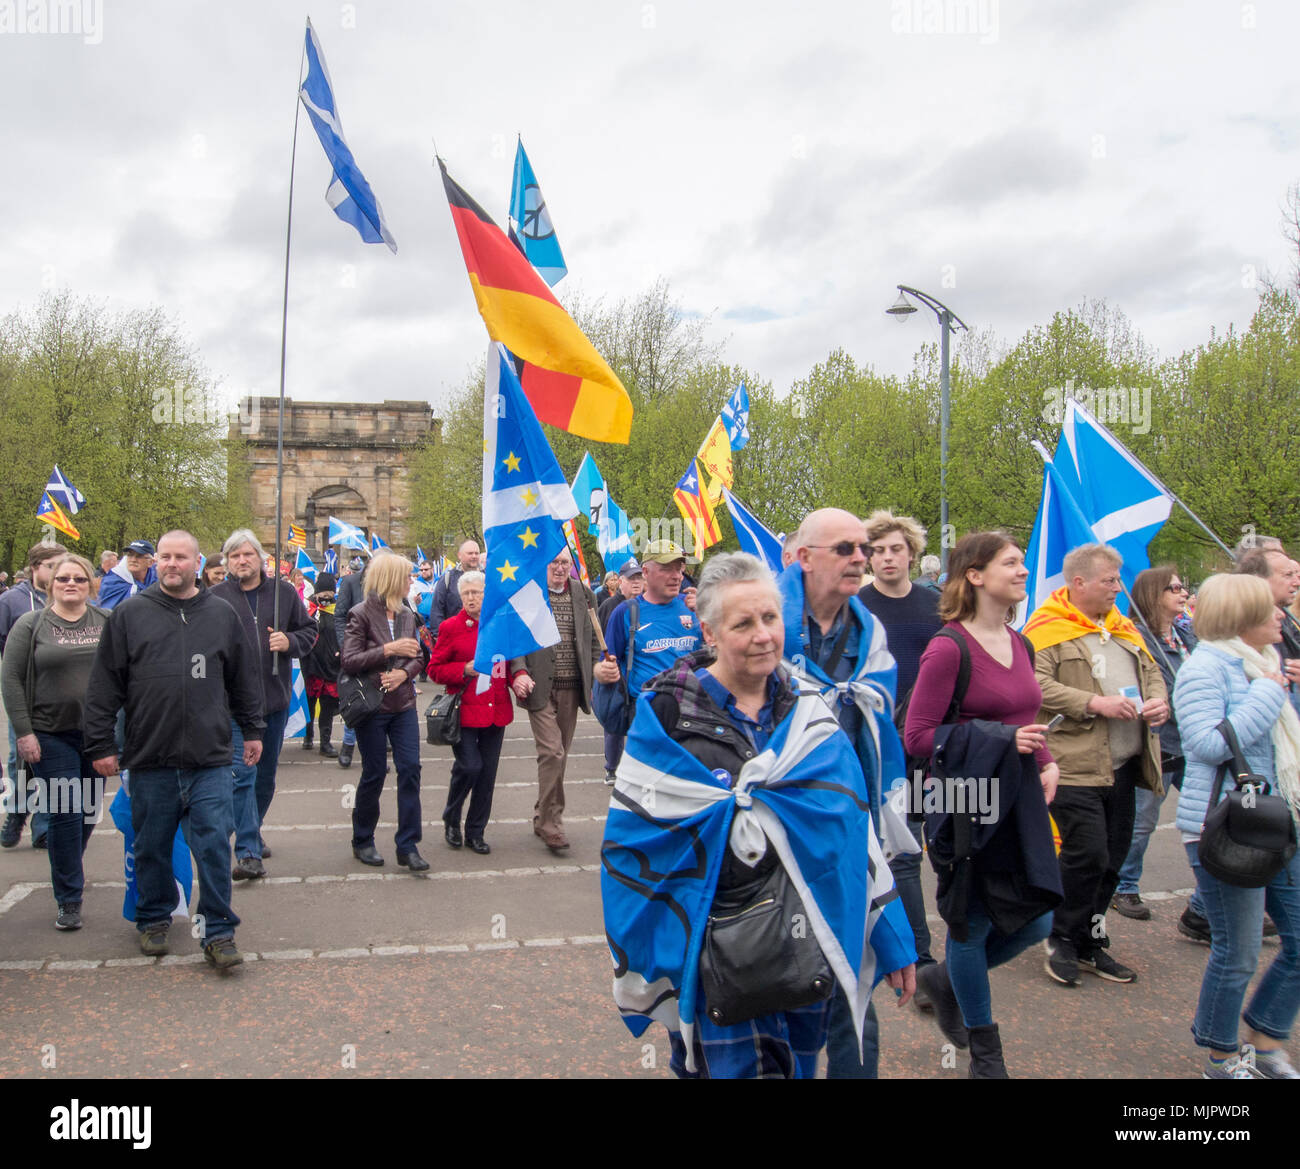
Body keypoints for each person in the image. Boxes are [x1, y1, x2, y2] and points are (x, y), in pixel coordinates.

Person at [602, 552, 917, 1079]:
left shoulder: (811, 713)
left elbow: (849, 828)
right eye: (743, 623)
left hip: (806, 941)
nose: (763, 635)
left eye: (770, 618)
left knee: (797, 1068)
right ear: (708, 630)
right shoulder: (665, 716)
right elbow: (632, 846)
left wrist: (888, 931)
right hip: (716, 952)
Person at [904, 532, 1062, 1076]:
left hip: (1016, 799)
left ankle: (945, 981)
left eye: (1021, 563)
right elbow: (918, 736)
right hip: (962, 799)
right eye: (1011, 563)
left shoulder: (1021, 642)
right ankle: (985, 1051)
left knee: (1036, 918)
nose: (1023, 571)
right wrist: (999, 740)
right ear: (974, 575)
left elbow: (1026, 719)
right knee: (970, 923)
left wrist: (1047, 763)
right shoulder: (949, 647)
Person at [83, 531, 264, 969]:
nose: (171, 564)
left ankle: (218, 930)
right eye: (164, 557)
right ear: (154, 562)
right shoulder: (129, 615)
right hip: (150, 756)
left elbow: (242, 678)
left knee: (215, 847)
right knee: (151, 846)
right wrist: (101, 743)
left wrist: (253, 728)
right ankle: (153, 919)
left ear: (197, 562)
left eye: (180, 557)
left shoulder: (221, 615)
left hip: (210, 758)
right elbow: (104, 686)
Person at [778, 508, 906, 1079]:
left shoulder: (870, 637)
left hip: (853, 830)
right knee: (781, 989)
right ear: (803, 559)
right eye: (847, 548)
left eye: (865, 547)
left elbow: (883, 728)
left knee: (853, 991)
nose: (862, 557)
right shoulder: (763, 626)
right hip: (778, 841)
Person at [1173, 572, 1300, 1078]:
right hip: (1226, 828)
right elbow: (1206, 744)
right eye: (1270, 607)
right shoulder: (1205, 667)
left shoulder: (1266, 663)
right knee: (1239, 952)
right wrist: (1269, 695)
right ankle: (1222, 1056)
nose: (1282, 615)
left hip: (1278, 820)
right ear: (1243, 615)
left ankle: (1265, 1040)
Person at [1025, 543, 1169, 988]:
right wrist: (1093, 702)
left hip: (1124, 764)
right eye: (1109, 580)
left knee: (1114, 859)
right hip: (1074, 764)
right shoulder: (1045, 630)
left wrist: (1159, 701)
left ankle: (1090, 939)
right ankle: (1060, 938)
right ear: (1078, 582)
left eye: (1117, 579)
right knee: (1088, 852)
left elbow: (1151, 672)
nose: (1117, 588)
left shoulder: (1123, 627)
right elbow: (1035, 684)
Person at [856, 509, 943, 994]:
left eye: (896, 549)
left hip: (934, 746)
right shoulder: (860, 606)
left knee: (945, 846)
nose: (887, 557)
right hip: (885, 747)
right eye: (877, 550)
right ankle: (922, 956)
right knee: (904, 852)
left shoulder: (935, 605)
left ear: (911, 553)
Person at [0, 554, 109, 930]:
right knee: (64, 814)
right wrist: (24, 732)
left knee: (89, 813)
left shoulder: (106, 623)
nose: (70, 584)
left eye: (79, 578)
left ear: (91, 583)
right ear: (50, 584)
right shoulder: (30, 624)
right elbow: (11, 679)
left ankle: (68, 867)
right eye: (62, 578)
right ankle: (69, 898)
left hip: (97, 736)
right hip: (49, 735)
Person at [211, 529, 317, 881]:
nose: (242, 561)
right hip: (232, 705)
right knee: (242, 774)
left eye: (248, 555)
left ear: (260, 559)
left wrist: (288, 640)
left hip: (272, 699)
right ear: (228, 562)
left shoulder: (283, 593)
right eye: (235, 556)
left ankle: (250, 830)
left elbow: (309, 632)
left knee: (265, 777)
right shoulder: (215, 597)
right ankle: (248, 851)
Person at [1113, 565, 1198, 923]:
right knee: (1142, 821)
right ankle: (1124, 887)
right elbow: (1156, 691)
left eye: (1183, 586)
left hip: (1192, 744)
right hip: (1157, 744)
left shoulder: (1186, 634)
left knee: (1209, 819)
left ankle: (1207, 900)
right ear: (1153, 595)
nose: (1182, 593)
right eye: (1173, 588)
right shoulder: (1138, 639)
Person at [514, 550, 612, 852]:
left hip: (573, 686)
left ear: (572, 567)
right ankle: (551, 824)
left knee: (561, 755)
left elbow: (594, 638)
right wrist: (519, 671)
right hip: (539, 686)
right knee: (552, 752)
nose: (559, 568)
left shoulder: (584, 593)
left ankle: (542, 813)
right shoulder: (530, 593)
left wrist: (595, 673)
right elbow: (517, 636)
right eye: (554, 562)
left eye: (564, 563)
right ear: (544, 565)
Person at [428, 571, 528, 856]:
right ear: (461, 598)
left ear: (487, 594)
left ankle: (476, 831)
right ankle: (451, 816)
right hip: (464, 711)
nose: (472, 598)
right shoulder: (450, 627)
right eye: (467, 594)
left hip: (496, 710)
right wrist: (463, 669)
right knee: (470, 767)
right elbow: (434, 669)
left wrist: (518, 677)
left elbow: (508, 664)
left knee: (487, 776)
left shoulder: (499, 624)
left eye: (477, 592)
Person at [340, 553, 427, 870]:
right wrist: (389, 650)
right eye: (407, 576)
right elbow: (349, 661)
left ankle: (408, 845)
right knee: (375, 773)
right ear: (392, 578)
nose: (411, 582)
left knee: (411, 770)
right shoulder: (360, 614)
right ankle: (362, 839)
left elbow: (419, 656)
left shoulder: (406, 613)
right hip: (373, 706)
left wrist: (405, 673)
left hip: (403, 703)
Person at [0, 540, 67, 849]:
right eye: (52, 566)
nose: (58, 573)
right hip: (25, 694)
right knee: (22, 758)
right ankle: (16, 812)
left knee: (55, 760)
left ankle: (44, 824)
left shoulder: (68, 598)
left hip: (61, 696)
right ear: (36, 567)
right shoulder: (12, 601)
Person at [1234, 548, 1300, 720]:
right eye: (1288, 575)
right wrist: (1268, 693)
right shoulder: (1233, 640)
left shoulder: (1284, 623)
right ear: (1259, 580)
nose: (1296, 582)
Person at [597, 558, 645, 783]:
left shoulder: (647, 606)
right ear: (620, 582)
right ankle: (612, 766)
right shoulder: (611, 607)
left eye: (639, 578)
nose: (636, 583)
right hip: (618, 674)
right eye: (631, 579)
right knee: (615, 723)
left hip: (639, 678)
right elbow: (605, 643)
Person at [300, 572, 341, 758]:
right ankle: (308, 736)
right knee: (309, 704)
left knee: (327, 705)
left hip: (332, 664)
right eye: (322, 592)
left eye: (329, 593)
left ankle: (325, 742)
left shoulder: (339, 609)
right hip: (310, 665)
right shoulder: (307, 609)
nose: (325, 596)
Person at [333, 555, 369, 768]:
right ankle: (348, 744)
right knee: (355, 698)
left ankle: (374, 753)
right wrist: (344, 645)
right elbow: (339, 616)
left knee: (380, 702)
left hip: (383, 652)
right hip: (355, 650)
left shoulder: (391, 583)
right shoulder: (350, 582)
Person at [428, 540, 482, 630]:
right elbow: (437, 610)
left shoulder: (487, 578)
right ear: (459, 555)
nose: (474, 556)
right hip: (455, 636)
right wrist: (440, 635)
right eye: (470, 553)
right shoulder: (447, 579)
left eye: (476, 553)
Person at [97, 540, 157, 611]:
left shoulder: (158, 581)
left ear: (150, 562)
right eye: (130, 555)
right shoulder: (112, 581)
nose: (133, 559)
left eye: (139, 556)